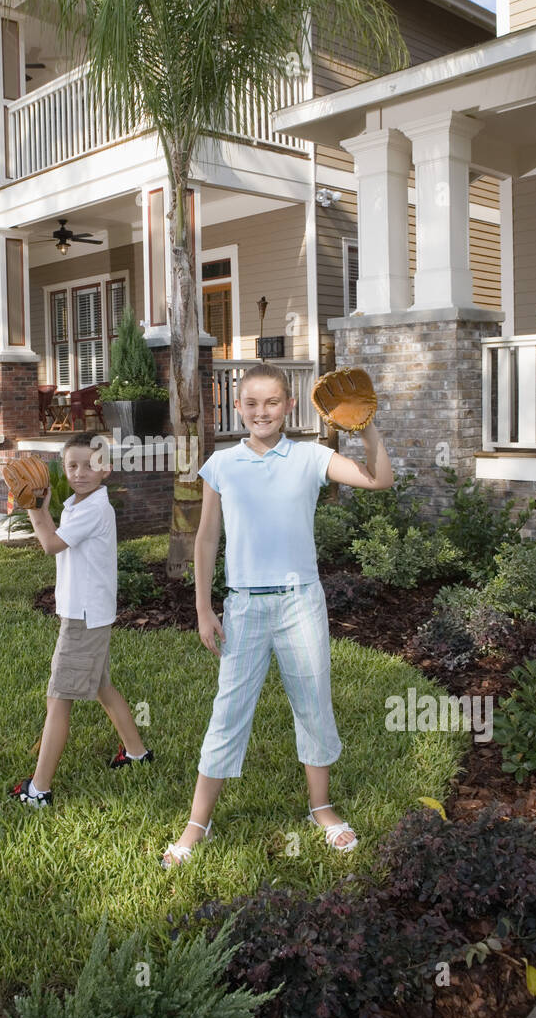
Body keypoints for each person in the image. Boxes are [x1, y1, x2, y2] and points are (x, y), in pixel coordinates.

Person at [161, 362, 394, 867]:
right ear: (237, 408)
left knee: (313, 704)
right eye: (252, 403)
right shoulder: (222, 464)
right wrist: (203, 608)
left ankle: (322, 808)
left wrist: (366, 424)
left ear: (289, 406)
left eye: (272, 402)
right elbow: (205, 538)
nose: (261, 411)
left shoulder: (312, 456)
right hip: (242, 606)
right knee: (228, 712)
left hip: (300, 603)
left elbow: (380, 480)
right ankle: (196, 824)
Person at [9, 432, 152, 808]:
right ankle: (137, 752)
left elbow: (50, 543)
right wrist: (45, 505)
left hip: (84, 617)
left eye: (90, 465)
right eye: (72, 465)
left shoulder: (93, 509)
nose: (80, 472)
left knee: (58, 699)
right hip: (89, 613)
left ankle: (39, 790)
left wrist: (35, 507)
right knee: (102, 685)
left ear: (106, 468)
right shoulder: (77, 503)